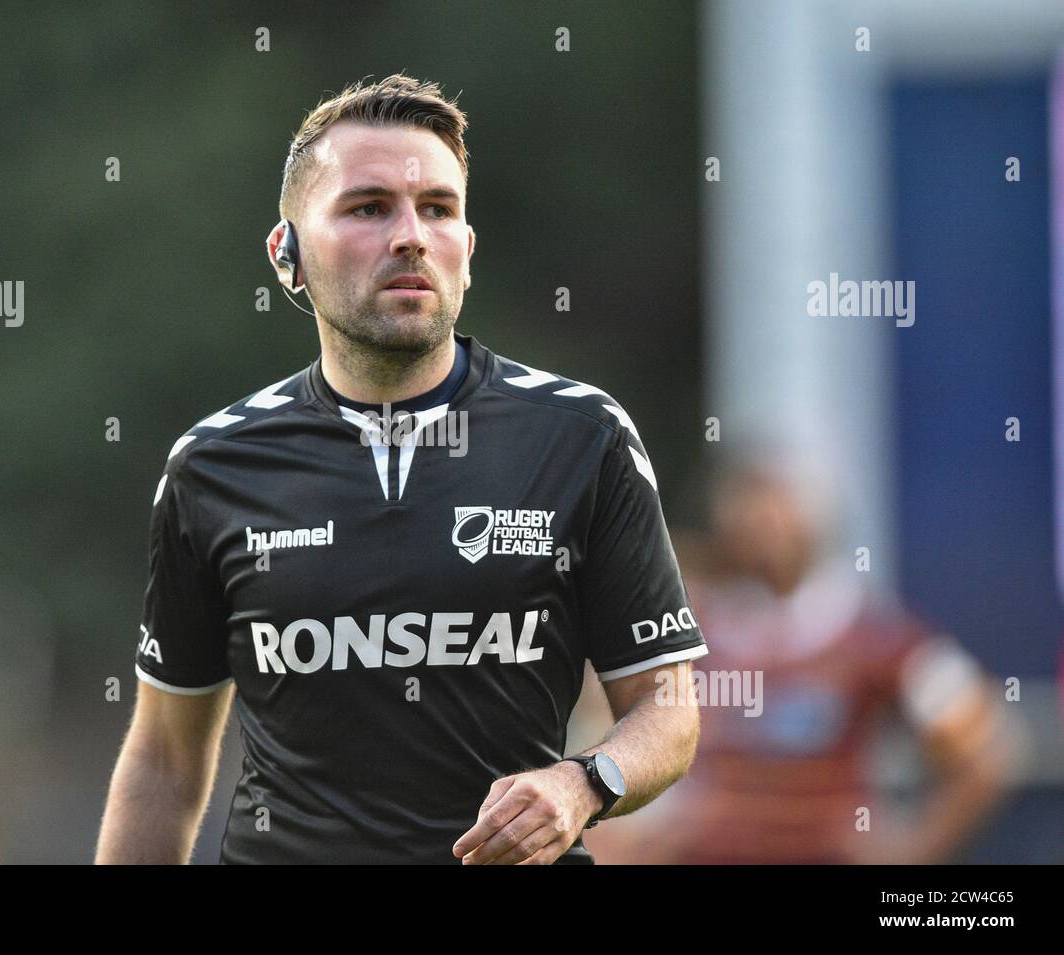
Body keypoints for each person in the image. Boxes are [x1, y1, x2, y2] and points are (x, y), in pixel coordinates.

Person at [94, 73, 707, 865]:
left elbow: (668, 707)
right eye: (368, 207)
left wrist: (583, 782)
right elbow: (165, 765)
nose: (412, 235)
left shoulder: (582, 436)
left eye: (438, 209)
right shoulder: (211, 467)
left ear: (468, 250)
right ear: (288, 254)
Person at [582, 452, 1022, 864]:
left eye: (776, 511)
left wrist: (908, 850)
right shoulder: (690, 628)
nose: (761, 527)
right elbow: (600, 741)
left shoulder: (876, 636)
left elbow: (984, 757)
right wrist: (629, 842)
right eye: (746, 512)